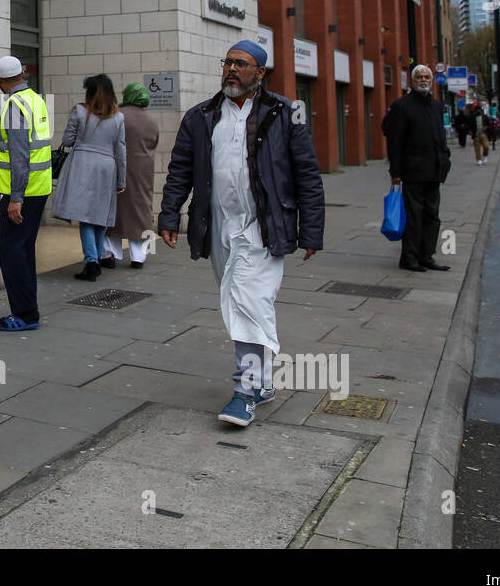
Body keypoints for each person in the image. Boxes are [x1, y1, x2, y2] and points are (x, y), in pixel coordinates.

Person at [158, 40, 324, 428]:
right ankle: (264, 381)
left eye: (242, 64)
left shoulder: (287, 113)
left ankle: (245, 392)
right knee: (243, 301)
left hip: (265, 226)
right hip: (217, 225)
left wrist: (311, 229)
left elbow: (307, 175)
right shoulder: (201, 116)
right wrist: (169, 215)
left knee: (247, 300)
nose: (232, 69)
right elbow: (180, 168)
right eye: (228, 62)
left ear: (260, 74)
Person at [0, 56, 53, 332]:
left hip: (23, 194)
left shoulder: (15, 106)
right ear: (22, 74)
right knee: (24, 250)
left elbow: (19, 155)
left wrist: (15, 197)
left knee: (11, 251)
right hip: (38, 188)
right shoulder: (35, 99)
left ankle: (25, 314)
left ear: (0, 81)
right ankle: (28, 310)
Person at [50, 74, 126, 281]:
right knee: (100, 216)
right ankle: (97, 257)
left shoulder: (80, 111)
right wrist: (122, 180)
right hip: (107, 167)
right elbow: (121, 150)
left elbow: (67, 139)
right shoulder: (118, 117)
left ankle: (91, 261)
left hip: (82, 163)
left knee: (85, 217)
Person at [383, 64, 452, 273]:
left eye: (427, 76)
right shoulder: (402, 106)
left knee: (433, 216)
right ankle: (409, 257)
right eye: (419, 76)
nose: (423, 79)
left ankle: (426, 255)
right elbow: (395, 142)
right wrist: (395, 173)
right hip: (412, 172)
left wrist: (445, 159)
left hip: (434, 171)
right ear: (412, 81)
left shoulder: (436, 106)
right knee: (414, 217)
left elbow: (440, 137)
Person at [100, 82, 161, 269]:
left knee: (114, 211)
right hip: (143, 171)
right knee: (140, 210)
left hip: (118, 168)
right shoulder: (152, 119)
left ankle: (110, 254)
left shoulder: (117, 116)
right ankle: (138, 257)